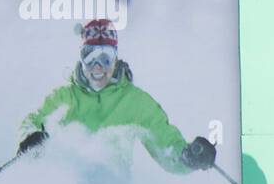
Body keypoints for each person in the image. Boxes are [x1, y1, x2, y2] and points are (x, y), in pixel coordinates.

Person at [18, 19, 217, 175]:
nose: (98, 66)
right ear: (81, 57)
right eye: (90, 56)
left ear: (116, 58)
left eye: (106, 57)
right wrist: (30, 138)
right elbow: (32, 122)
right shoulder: (65, 97)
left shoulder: (135, 102)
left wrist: (187, 157)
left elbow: (166, 145)